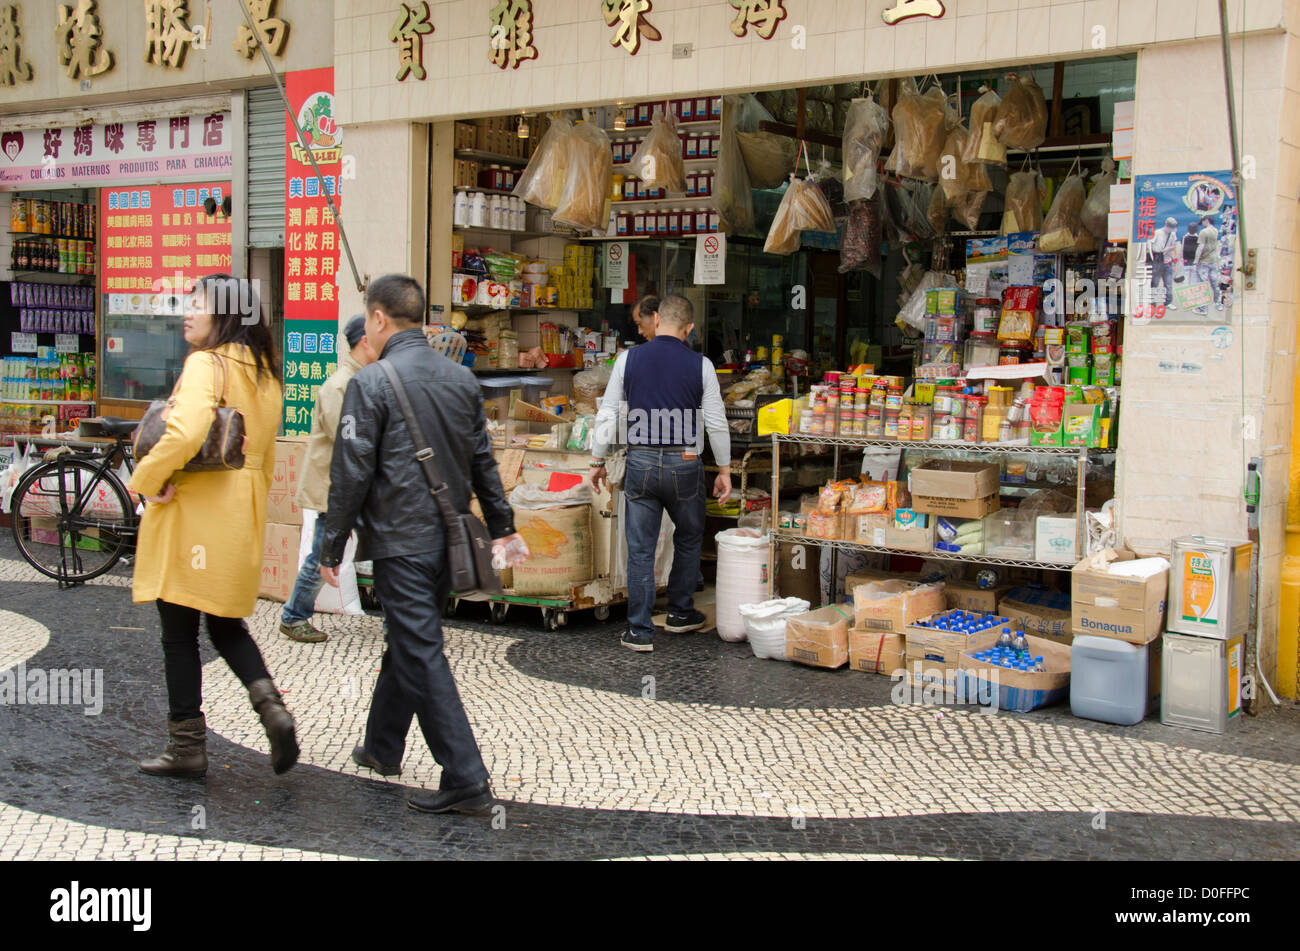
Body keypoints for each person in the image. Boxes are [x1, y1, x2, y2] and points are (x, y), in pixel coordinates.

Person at [318, 274, 524, 815]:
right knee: (409, 640)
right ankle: (382, 747)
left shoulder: (371, 382)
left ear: (378, 319)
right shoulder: (460, 379)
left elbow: (350, 472)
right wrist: (503, 527)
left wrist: (330, 544)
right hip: (451, 540)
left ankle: (466, 777)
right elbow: (485, 462)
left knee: (419, 648)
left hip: (400, 541)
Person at [131, 274, 298, 779]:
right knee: (224, 621)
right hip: (240, 511)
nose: (187, 311)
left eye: (197, 303)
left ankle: (186, 747)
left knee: (178, 629)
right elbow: (264, 455)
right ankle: (270, 704)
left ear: (225, 314)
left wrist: (147, 478)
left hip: (193, 507)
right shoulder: (267, 372)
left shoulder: (207, 363)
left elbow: (185, 430)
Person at [590, 294, 731, 652]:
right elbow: (716, 424)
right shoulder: (701, 365)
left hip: (640, 463)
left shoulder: (628, 359)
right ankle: (681, 613)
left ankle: (639, 630)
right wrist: (725, 469)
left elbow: (608, 415)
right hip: (685, 463)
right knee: (688, 537)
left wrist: (597, 460)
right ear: (690, 328)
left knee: (640, 548)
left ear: (655, 319)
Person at [279, 314, 380, 642]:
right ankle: (294, 616)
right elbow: (348, 442)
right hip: (335, 487)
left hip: (351, 485)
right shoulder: (341, 385)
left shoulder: (361, 380)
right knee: (324, 551)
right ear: (365, 341)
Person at [1148, 216, 1181, 309]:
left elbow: (1174, 245)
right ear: (1167, 225)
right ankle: (1152, 304)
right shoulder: (1157, 233)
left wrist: (1168, 249)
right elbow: (1150, 245)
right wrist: (1152, 258)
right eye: (1171, 227)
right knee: (1155, 283)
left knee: (1168, 283)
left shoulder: (1173, 234)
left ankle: (1168, 302)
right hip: (1157, 258)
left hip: (1167, 260)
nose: (1172, 230)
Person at [1195, 215, 1223, 314]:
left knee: (1203, 285)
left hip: (1203, 262)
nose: (1202, 224)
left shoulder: (1203, 232)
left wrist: (1196, 260)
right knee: (1215, 284)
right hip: (1213, 261)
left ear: (1206, 221)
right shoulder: (1216, 231)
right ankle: (1218, 303)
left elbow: (1201, 247)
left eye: (1202, 222)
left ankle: (1203, 309)